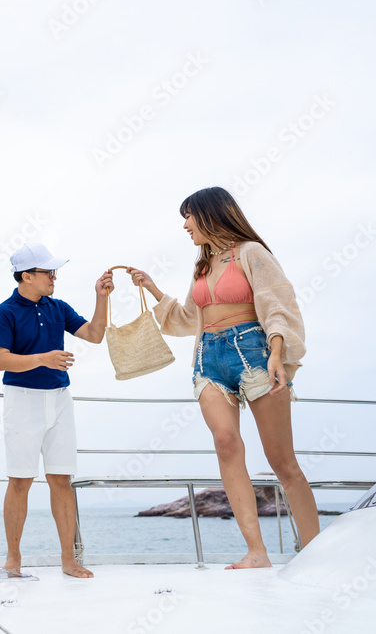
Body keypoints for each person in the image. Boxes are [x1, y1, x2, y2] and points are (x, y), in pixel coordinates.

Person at [127, 186, 318, 569]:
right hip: (208, 359)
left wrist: (277, 355)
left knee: (282, 461)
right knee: (226, 443)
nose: (185, 225)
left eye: (189, 216)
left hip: (255, 354)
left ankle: (314, 550)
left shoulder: (251, 253)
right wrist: (151, 287)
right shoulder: (202, 265)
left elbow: (276, 305)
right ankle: (256, 552)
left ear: (211, 213)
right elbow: (186, 319)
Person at [0, 243, 113, 579]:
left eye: (53, 271)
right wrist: (43, 358)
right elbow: (1, 360)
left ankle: (68, 560)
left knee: (61, 479)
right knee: (20, 481)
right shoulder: (5, 312)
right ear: (26, 276)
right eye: (47, 272)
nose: (54, 277)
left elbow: (95, 335)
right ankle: (13, 557)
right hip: (22, 399)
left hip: (59, 398)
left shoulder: (58, 307)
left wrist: (101, 296)